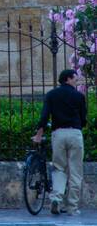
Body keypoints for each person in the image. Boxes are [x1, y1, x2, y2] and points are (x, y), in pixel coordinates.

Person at [33, 68, 87, 215]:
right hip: (75, 133)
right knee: (75, 171)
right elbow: (84, 119)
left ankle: (56, 198)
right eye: (75, 79)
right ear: (68, 79)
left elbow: (44, 116)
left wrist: (39, 134)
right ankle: (72, 208)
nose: (76, 82)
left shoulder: (51, 95)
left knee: (59, 168)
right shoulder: (79, 96)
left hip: (58, 134)